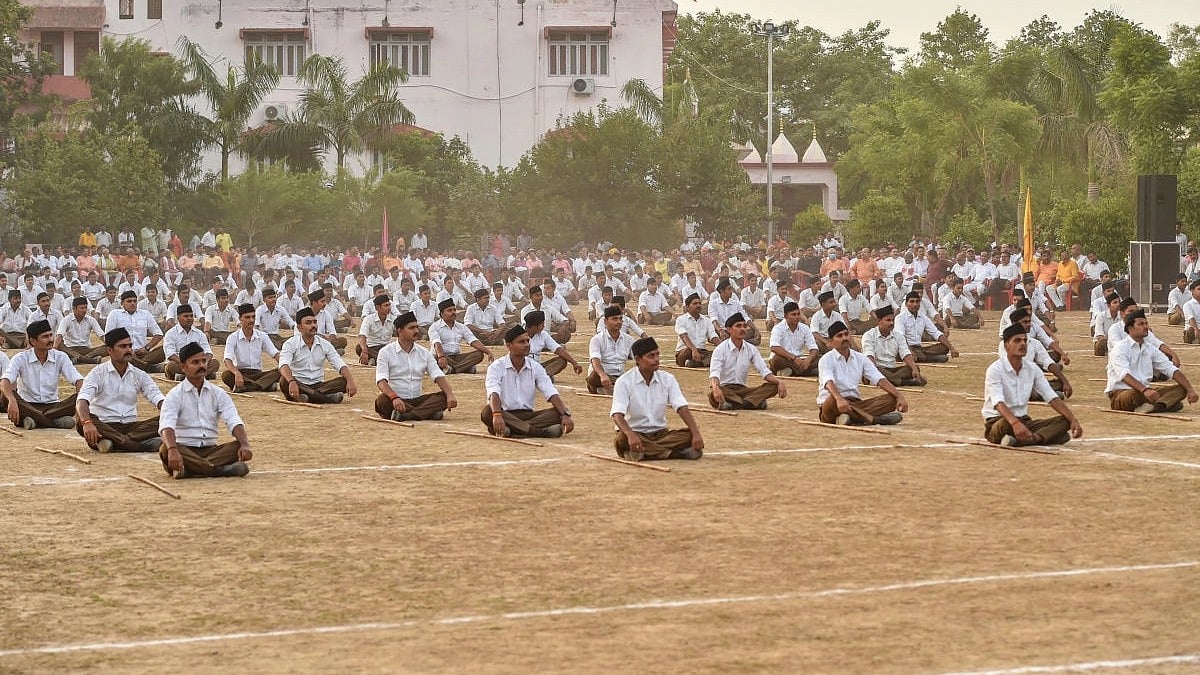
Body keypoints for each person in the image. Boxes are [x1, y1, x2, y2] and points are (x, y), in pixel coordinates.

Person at [158, 342, 253, 479]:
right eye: (195, 362)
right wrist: (173, 449)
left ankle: (192, 470)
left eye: (203, 361)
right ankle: (220, 470)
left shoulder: (218, 393)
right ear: (183, 367)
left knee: (238, 446)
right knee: (165, 449)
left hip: (211, 451)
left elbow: (233, 420)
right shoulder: (175, 395)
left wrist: (245, 445)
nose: (201, 365)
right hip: (183, 449)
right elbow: (167, 426)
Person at [983, 324, 1083, 446]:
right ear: (1006, 345)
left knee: (1065, 420)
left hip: (1023, 421)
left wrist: (1073, 420)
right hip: (999, 422)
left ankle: (1029, 439)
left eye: (1025, 341)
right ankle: (1042, 437)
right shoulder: (995, 370)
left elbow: (1052, 397)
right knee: (1007, 423)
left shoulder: (1032, 369)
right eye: (1017, 341)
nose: (1023, 344)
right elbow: (998, 402)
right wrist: (1015, 423)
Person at [610, 336, 704, 461]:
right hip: (635, 433)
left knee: (689, 435)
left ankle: (645, 452)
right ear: (638, 359)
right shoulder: (624, 382)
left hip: (660, 434)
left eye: (657, 355)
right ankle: (672, 454)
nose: (656, 359)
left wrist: (696, 434)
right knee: (622, 439)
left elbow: (681, 407)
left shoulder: (668, 379)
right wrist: (630, 435)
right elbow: (617, 415)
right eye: (651, 356)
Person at [75, 327, 165, 453]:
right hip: (104, 425)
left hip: (131, 428)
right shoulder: (97, 373)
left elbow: (157, 397)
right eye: (123, 346)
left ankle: (114, 442)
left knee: (167, 418)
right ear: (110, 351)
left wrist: (171, 412)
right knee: (81, 419)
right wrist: (87, 422)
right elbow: (82, 401)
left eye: (130, 346)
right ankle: (135, 445)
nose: (128, 350)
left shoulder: (139, 375)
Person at [482, 324, 574, 438]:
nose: (527, 345)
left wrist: (565, 414)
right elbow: (493, 393)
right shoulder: (496, 367)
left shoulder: (535, 367)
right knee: (487, 412)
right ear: (509, 345)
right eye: (521, 342)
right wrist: (497, 415)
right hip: (504, 414)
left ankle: (512, 431)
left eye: (527, 341)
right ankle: (539, 432)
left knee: (557, 413)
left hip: (528, 415)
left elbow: (550, 391)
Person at [1105, 309, 1199, 413]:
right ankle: (1164, 404)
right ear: (1130, 328)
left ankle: (1154, 406)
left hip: (1147, 392)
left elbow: (1170, 369)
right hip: (1122, 394)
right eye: (1141, 324)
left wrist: (1190, 390)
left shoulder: (1150, 348)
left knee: (1182, 389)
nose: (1145, 327)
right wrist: (1144, 390)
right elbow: (1124, 375)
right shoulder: (1120, 348)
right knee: (1135, 395)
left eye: (1146, 323)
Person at [817, 320, 908, 426]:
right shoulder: (826, 359)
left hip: (856, 403)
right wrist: (839, 399)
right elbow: (828, 382)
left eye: (846, 334)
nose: (844, 338)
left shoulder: (860, 358)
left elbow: (879, 379)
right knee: (831, 399)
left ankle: (850, 418)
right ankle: (874, 419)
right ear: (831, 341)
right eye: (839, 336)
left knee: (892, 399)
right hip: (833, 406)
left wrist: (899, 396)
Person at [374, 311, 458, 422]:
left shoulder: (424, 352)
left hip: (418, 400)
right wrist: (394, 397)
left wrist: (450, 394)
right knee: (382, 400)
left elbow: (438, 375)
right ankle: (427, 413)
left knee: (443, 397)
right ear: (399, 331)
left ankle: (406, 415)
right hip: (396, 399)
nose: (416, 331)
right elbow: (381, 381)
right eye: (411, 328)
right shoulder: (385, 352)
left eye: (417, 327)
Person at [1, 320, 84, 430]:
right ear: (33, 341)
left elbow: (78, 380)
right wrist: (12, 400)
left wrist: (81, 401)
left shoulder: (60, 357)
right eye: (45, 337)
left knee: (83, 395)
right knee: (5, 397)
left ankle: (35, 420)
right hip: (27, 405)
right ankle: (53, 422)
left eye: (50, 335)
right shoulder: (20, 358)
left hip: (54, 407)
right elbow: (5, 381)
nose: (50, 339)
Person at [708, 312, 787, 410]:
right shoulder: (720, 349)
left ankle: (736, 403)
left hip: (743, 389)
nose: (742, 329)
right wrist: (715, 387)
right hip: (725, 389)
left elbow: (764, 371)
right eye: (738, 326)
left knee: (774, 386)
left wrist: (779, 382)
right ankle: (751, 402)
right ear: (729, 329)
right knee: (713, 394)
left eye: (744, 326)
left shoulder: (751, 349)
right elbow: (714, 373)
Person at [279, 307, 359, 404]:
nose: (313, 325)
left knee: (344, 381)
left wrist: (350, 380)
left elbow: (340, 364)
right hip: (297, 384)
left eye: (315, 322)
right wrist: (292, 381)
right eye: (308, 323)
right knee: (284, 380)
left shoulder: (324, 344)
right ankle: (326, 398)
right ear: (299, 327)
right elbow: (283, 366)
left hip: (319, 386)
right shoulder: (290, 344)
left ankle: (307, 397)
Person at [221, 303, 282, 393]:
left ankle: (247, 387)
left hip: (258, 373)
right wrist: (236, 373)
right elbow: (227, 360)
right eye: (247, 317)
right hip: (241, 373)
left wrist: (284, 365)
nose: (251, 320)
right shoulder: (232, 337)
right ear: (240, 318)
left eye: (253, 317)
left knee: (280, 371)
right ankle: (264, 385)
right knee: (226, 375)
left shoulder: (262, 336)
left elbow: (275, 353)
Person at [860, 306, 925, 386]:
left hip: (893, 370)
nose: (892, 323)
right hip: (877, 368)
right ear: (879, 321)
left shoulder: (898, 335)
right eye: (888, 320)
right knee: (876, 369)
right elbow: (869, 357)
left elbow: (905, 353)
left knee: (913, 367)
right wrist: (873, 371)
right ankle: (904, 382)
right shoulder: (869, 335)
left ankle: (888, 380)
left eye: (893, 320)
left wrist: (914, 368)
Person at [105, 290, 166, 372]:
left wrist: (146, 348)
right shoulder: (114, 314)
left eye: (134, 301)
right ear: (122, 303)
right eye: (129, 301)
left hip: (143, 353)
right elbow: (108, 337)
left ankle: (139, 364)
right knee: (126, 356)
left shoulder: (145, 314)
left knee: (164, 348)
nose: (132, 303)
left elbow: (158, 334)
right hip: (124, 352)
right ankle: (149, 367)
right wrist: (126, 349)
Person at [430, 298, 494, 374]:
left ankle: (453, 369)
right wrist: (441, 357)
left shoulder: (461, 327)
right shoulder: (434, 327)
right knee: (435, 356)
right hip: (442, 356)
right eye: (449, 310)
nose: (453, 312)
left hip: (456, 357)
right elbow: (437, 343)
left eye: (454, 310)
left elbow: (473, 340)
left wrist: (488, 352)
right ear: (442, 314)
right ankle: (465, 368)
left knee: (479, 354)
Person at [895, 291, 958, 362]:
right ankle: (928, 358)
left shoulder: (923, 317)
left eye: (917, 302)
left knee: (944, 347)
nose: (915, 304)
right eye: (912, 301)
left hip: (919, 349)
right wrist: (910, 351)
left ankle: (921, 357)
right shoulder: (900, 318)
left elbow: (936, 333)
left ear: (919, 304)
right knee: (943, 358)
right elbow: (900, 338)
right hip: (905, 348)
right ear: (906, 304)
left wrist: (952, 348)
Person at [163, 305, 219, 381]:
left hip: (197, 364)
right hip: (181, 364)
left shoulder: (199, 333)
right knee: (171, 365)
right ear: (178, 318)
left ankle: (187, 376)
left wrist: (203, 362)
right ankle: (201, 375)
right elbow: (170, 354)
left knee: (215, 363)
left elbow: (208, 352)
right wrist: (186, 363)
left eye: (191, 316)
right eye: (186, 316)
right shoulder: (170, 333)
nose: (189, 318)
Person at [587, 305, 635, 394]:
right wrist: (602, 375)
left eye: (620, 319)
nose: (619, 322)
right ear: (605, 321)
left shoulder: (629, 340)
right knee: (594, 376)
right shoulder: (597, 339)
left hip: (619, 377)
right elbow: (595, 361)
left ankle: (619, 387)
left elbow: (639, 358)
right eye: (614, 319)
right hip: (601, 377)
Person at [524, 310, 583, 378]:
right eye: (542, 324)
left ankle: (543, 376)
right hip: (522, 368)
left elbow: (558, 350)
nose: (544, 326)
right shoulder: (518, 336)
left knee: (562, 360)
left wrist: (574, 363)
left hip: (537, 367)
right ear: (535, 326)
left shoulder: (543, 335)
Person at [767, 301, 819, 377]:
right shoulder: (778, 328)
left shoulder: (805, 328)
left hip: (800, 360)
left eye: (798, 314)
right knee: (776, 359)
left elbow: (814, 348)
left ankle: (793, 371)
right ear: (785, 316)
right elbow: (774, 347)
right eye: (793, 314)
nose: (797, 317)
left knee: (819, 358)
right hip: (785, 359)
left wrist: (808, 360)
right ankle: (804, 371)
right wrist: (794, 358)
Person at [54, 296, 107, 364]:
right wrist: (54, 349)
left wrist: (110, 344)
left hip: (86, 349)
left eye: (85, 308)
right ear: (74, 309)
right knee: (59, 345)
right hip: (70, 349)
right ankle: (89, 360)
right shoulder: (66, 320)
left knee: (109, 346)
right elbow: (59, 336)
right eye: (82, 308)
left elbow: (101, 335)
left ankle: (81, 359)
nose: (84, 310)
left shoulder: (91, 320)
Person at [356, 294, 395, 365]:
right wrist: (364, 351)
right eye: (386, 305)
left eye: (389, 305)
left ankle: (375, 360)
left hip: (386, 348)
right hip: (372, 348)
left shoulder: (393, 319)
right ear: (377, 308)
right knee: (359, 348)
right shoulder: (368, 319)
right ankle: (381, 360)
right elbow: (362, 336)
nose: (389, 308)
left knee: (392, 351)